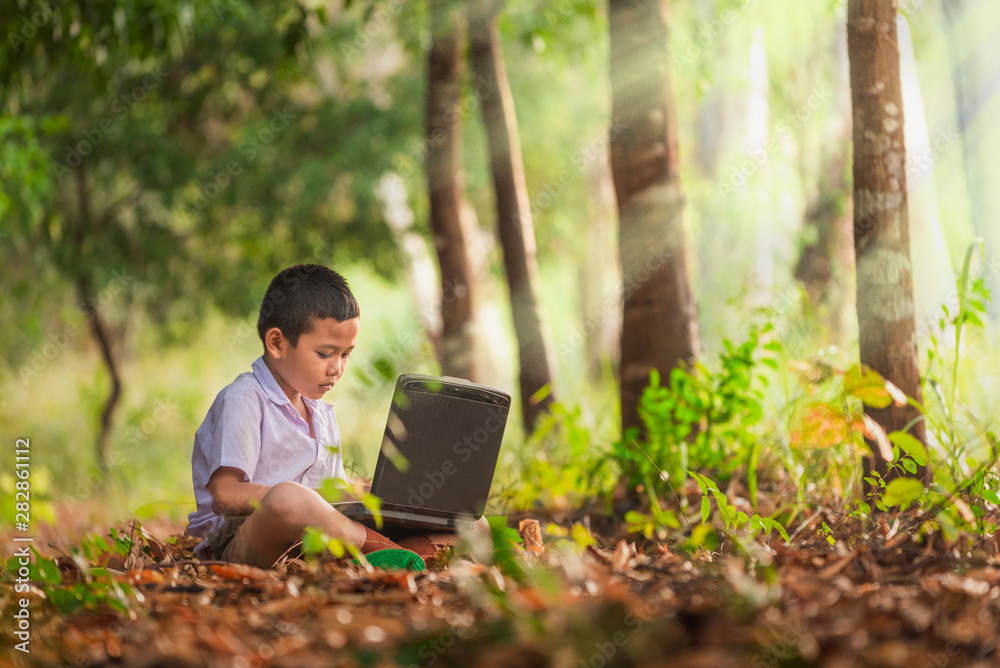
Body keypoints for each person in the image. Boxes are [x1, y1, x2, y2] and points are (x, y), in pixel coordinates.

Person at [186, 264, 445, 570]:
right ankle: (390, 553)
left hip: (315, 544)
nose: (337, 368)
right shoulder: (244, 399)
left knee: (468, 524)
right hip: (242, 542)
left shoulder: (321, 414)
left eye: (346, 354)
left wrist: (363, 495)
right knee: (289, 499)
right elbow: (227, 494)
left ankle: (400, 558)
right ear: (277, 343)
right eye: (325, 354)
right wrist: (318, 497)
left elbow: (329, 507)